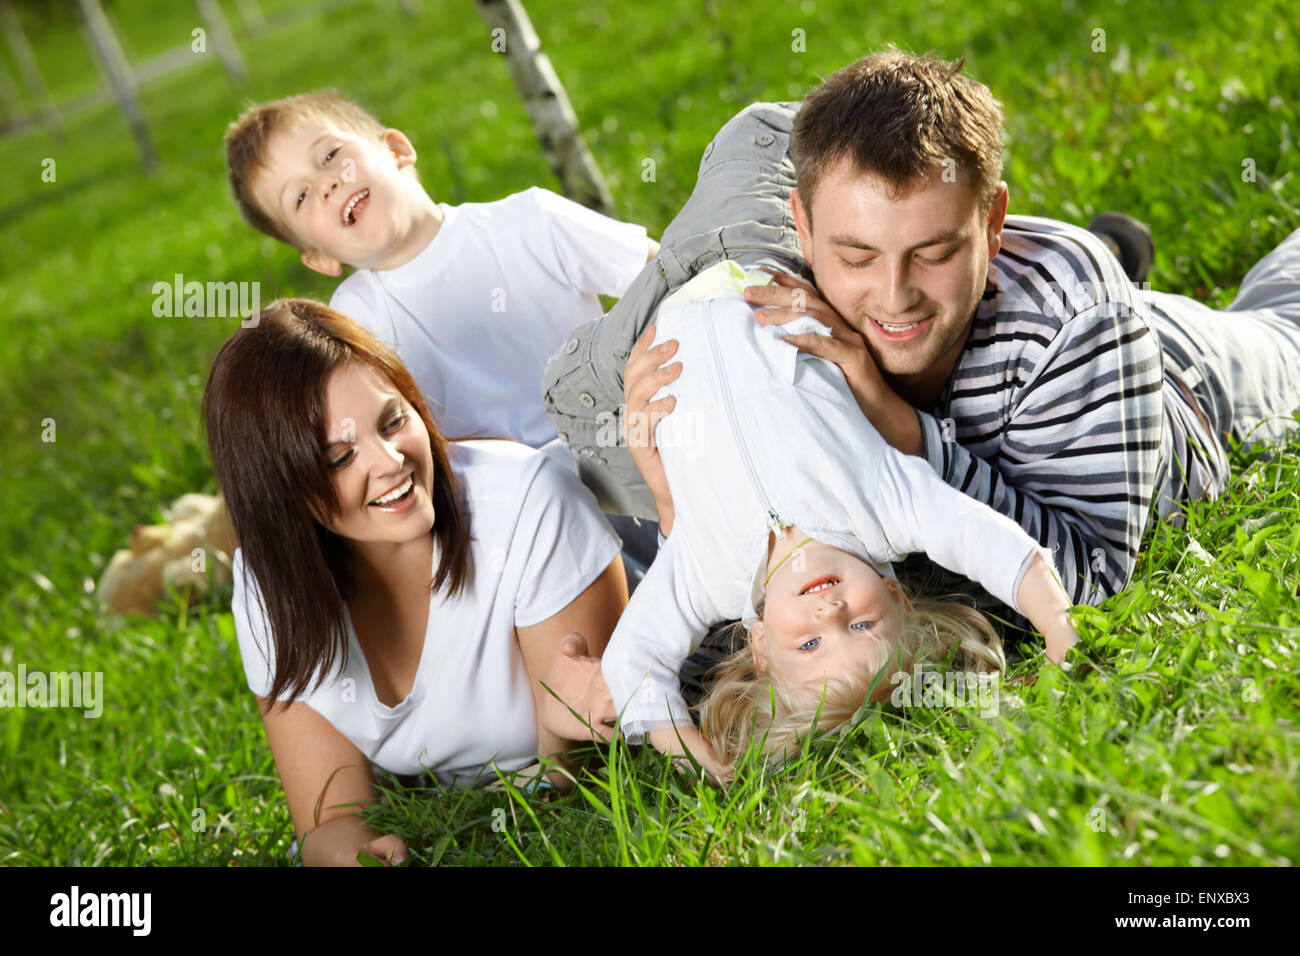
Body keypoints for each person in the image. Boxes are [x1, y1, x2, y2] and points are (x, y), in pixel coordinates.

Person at [544, 50, 1300, 634]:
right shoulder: (770, 314)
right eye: (857, 256)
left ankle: (1116, 270)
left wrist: (895, 426)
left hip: (1182, 388)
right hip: (1033, 340)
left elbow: (1093, 577)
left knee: (1285, 324)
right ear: (802, 229)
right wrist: (672, 494)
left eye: (933, 252)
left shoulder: (1075, 316)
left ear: (994, 219)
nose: (895, 296)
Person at [561, 262, 1080, 781]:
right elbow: (983, 539)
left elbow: (634, 661)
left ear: (761, 646)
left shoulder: (705, 578)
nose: (829, 612)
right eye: (860, 624)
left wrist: (700, 761)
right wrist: (1059, 631)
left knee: (557, 387)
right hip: (747, 263)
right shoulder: (886, 507)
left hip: (644, 339)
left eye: (809, 645)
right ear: (896, 597)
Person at [204, 299, 628, 866]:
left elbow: (581, 765)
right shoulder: (267, 590)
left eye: (393, 421)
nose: (389, 462)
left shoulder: (530, 506)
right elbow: (330, 819)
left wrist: (548, 754)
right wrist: (352, 856)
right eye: (340, 457)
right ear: (281, 493)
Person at [223, 91, 662, 586]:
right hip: (517, 513)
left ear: (396, 149)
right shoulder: (352, 324)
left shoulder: (528, 222)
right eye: (300, 198)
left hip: (623, 443)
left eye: (330, 156)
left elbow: (660, 278)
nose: (326, 185)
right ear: (317, 257)